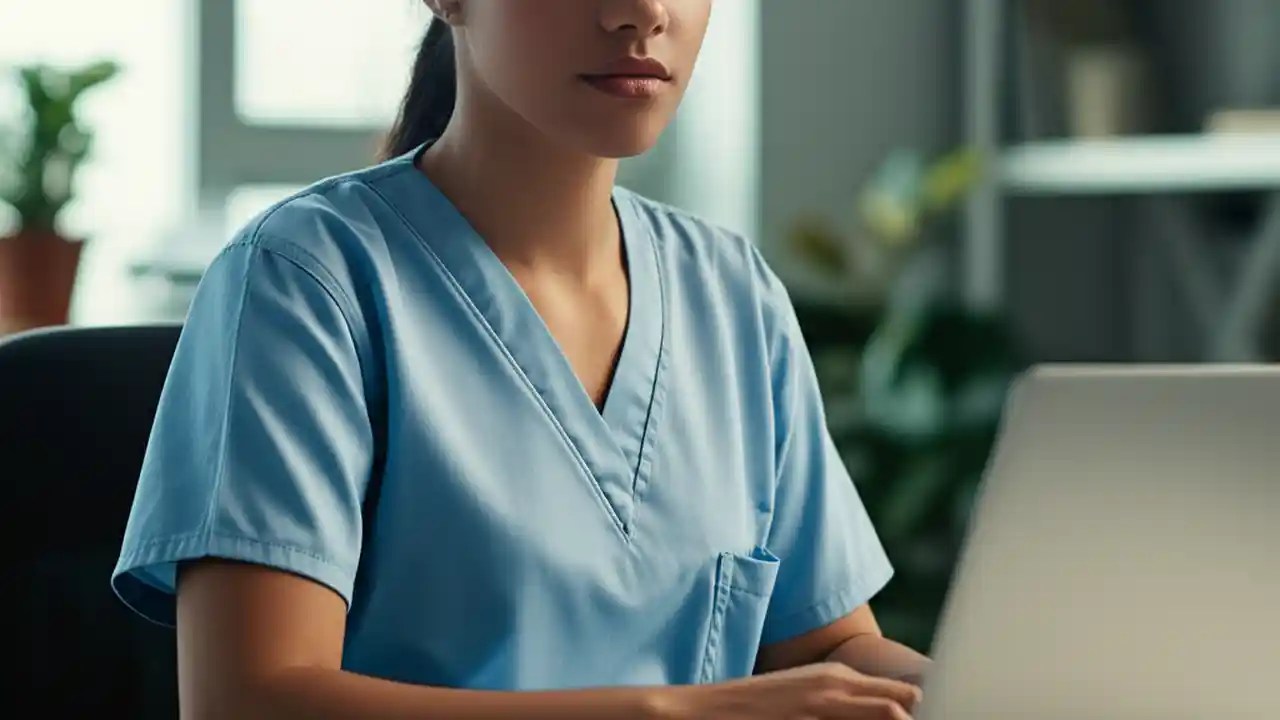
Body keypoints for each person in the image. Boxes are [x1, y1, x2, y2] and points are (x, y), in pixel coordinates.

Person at [112, 1, 931, 718]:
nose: (642, 12)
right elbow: (248, 702)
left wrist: (981, 691)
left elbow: (828, 652)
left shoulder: (732, 294)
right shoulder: (308, 281)